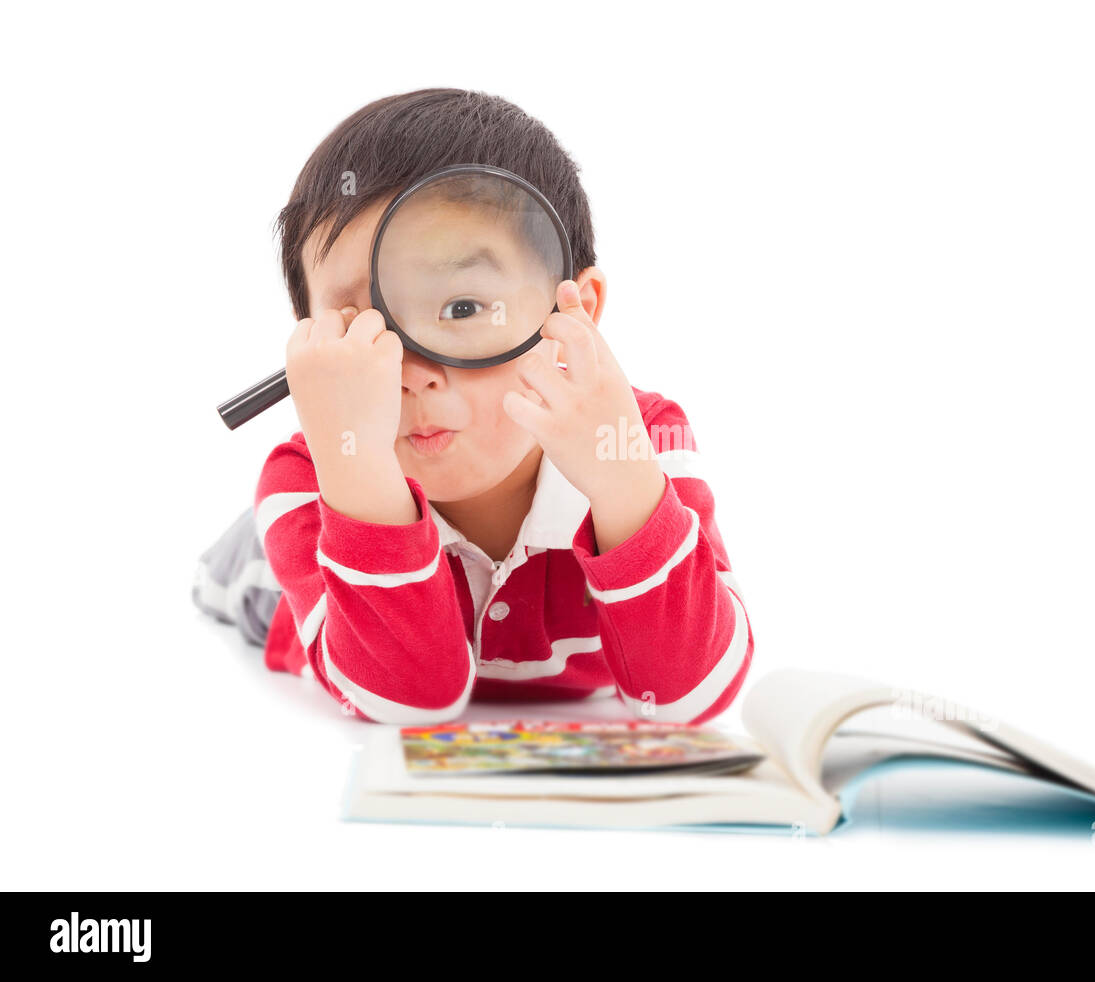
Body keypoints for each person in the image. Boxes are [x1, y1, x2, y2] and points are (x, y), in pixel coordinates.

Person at [194, 88, 752, 725]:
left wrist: (622, 483)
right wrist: (358, 473)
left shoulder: (643, 440)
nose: (414, 374)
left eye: (461, 308)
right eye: (362, 329)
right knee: (226, 578)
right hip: (290, 577)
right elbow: (410, 701)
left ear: (576, 311)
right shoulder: (314, 479)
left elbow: (691, 695)